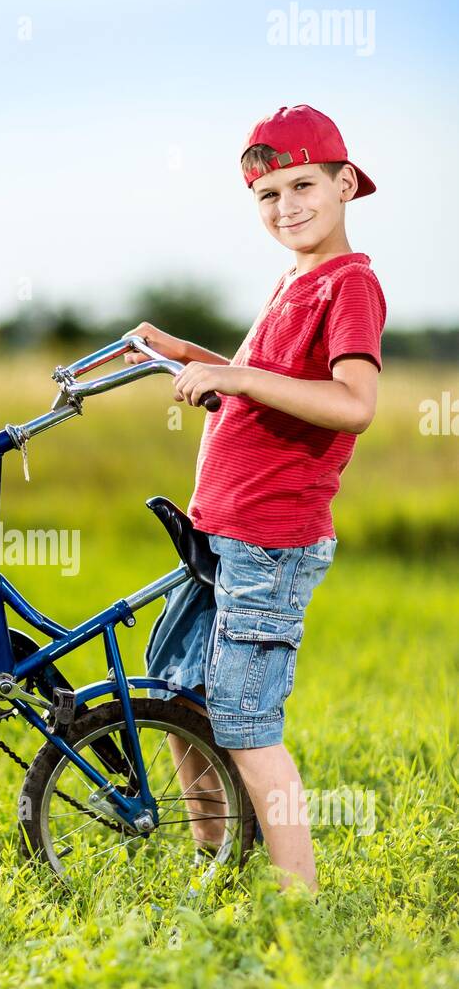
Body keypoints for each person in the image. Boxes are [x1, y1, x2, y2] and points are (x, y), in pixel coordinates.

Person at [125, 104, 386, 893]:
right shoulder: (291, 282)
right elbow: (259, 387)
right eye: (268, 196)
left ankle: (296, 901)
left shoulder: (351, 286)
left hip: (270, 545)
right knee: (176, 688)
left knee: (244, 722)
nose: (288, 207)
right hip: (220, 534)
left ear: (344, 184)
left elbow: (352, 403)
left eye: (304, 185)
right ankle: (214, 861)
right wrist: (187, 354)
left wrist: (233, 374)